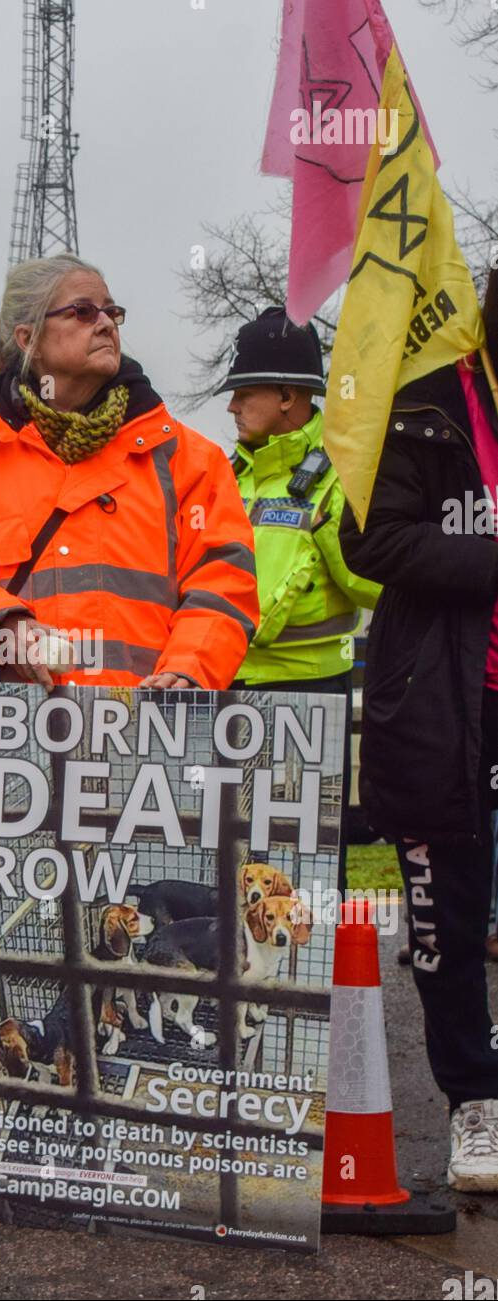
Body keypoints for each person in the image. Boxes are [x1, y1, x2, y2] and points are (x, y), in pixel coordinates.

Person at [0, 253, 260, 865]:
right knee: (16, 957)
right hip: (14, 769)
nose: (105, 323)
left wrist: (190, 673)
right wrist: (0, 626)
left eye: (111, 311)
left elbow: (224, 584)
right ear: (28, 339)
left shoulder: (190, 462)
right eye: (82, 311)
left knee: (150, 947)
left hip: (152, 763)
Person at [339, 268, 498, 1190]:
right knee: (448, 908)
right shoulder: (424, 398)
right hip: (445, 698)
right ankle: (474, 1101)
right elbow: (372, 541)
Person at [215, 308, 381, 890]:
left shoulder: (343, 476)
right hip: (228, 695)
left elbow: (377, 589)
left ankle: (321, 982)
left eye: (242, 392)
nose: (232, 406)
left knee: (301, 871)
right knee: (231, 869)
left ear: (288, 396)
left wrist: (343, 540)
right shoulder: (229, 476)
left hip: (307, 700)